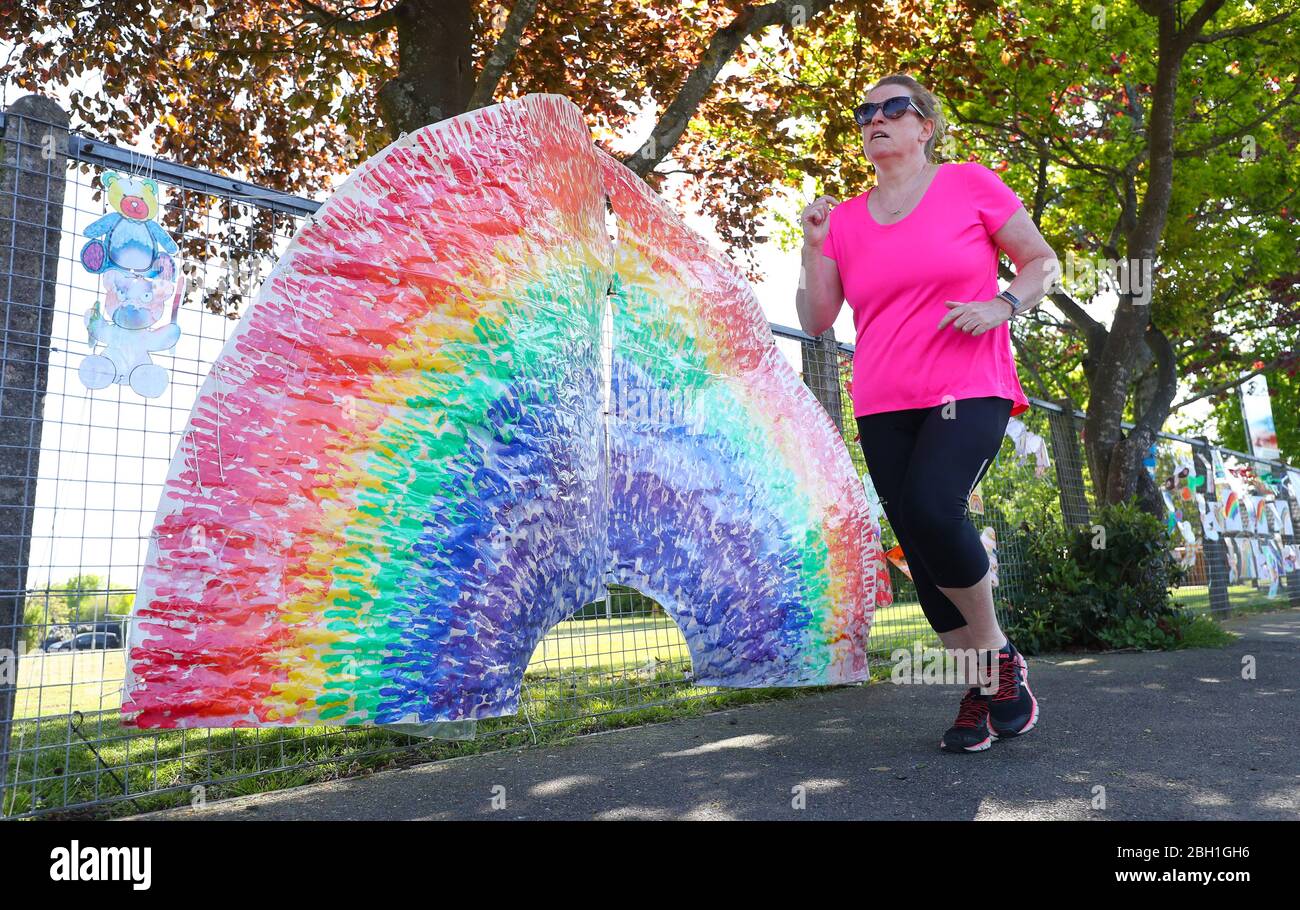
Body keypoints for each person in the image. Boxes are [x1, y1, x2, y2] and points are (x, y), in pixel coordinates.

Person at [795, 73, 1060, 754]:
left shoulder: (970, 184)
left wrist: (1004, 306)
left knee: (935, 507)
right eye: (866, 112)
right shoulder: (845, 219)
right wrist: (812, 242)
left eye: (893, 108)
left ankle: (997, 658)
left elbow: (1040, 261)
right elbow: (817, 318)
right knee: (915, 534)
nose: (875, 119)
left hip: (970, 384)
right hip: (883, 400)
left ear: (924, 127)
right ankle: (983, 686)